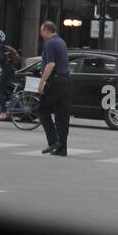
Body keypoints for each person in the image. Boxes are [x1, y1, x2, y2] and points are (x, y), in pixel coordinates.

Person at [36, 21, 71, 156]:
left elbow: (50, 64)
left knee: (42, 109)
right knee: (62, 115)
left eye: (42, 31)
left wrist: (41, 83)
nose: (41, 34)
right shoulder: (61, 42)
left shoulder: (50, 43)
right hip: (66, 80)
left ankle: (53, 142)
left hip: (56, 80)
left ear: (47, 31)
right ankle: (62, 147)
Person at [0, 28, 21, 121]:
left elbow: (1, 58)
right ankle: (8, 102)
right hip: (9, 70)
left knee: (0, 90)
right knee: (1, 86)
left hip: (7, 70)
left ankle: (3, 113)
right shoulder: (2, 46)